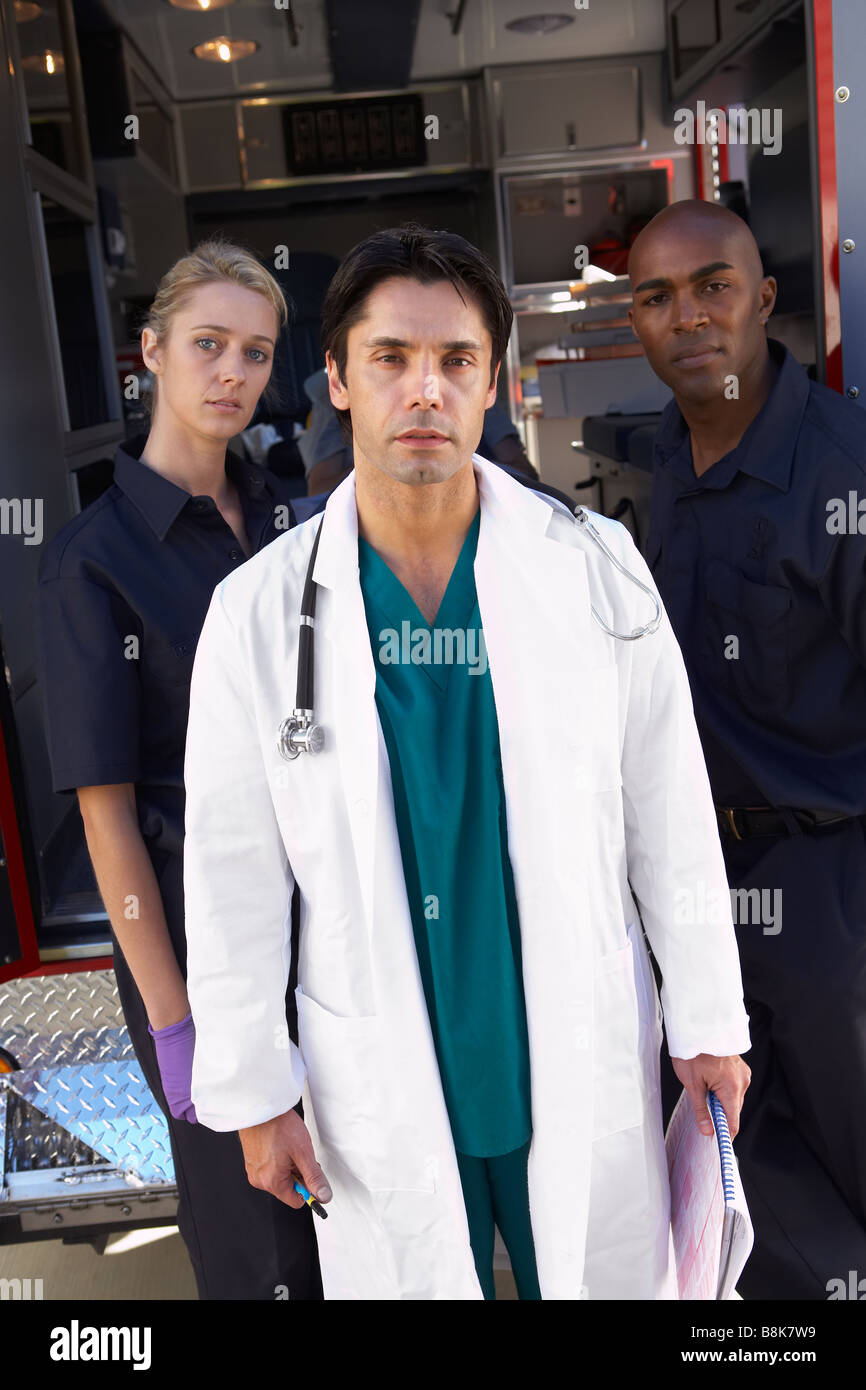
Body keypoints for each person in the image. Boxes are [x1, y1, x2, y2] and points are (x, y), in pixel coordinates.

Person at [182, 222, 751, 1300]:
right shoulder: (257, 612)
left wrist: (709, 1022)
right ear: (339, 381)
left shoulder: (593, 570)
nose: (424, 392)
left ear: (492, 383)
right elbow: (230, 872)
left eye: (454, 362)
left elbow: (666, 808)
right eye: (390, 359)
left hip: (568, 1043)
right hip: (384, 1062)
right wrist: (255, 1091)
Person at [35, 239, 323, 1301]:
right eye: (207, 344)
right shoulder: (92, 563)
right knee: (267, 1257)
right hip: (203, 954)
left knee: (366, 1226)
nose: (232, 373)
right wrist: (174, 1024)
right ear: (150, 351)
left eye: (254, 352)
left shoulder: (293, 517)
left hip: (334, 929)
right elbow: (109, 822)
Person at [627, 197, 866, 1298]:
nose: (687, 317)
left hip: (832, 891)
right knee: (747, 1195)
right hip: (698, 898)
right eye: (656, 297)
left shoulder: (842, 471)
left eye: (710, 287)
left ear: (762, 299)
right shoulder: (657, 477)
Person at [298, 365, 537, 496]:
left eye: (454, 360)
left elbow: (524, 473)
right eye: (390, 358)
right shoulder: (333, 405)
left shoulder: (474, 394)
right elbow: (319, 489)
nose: (425, 397)